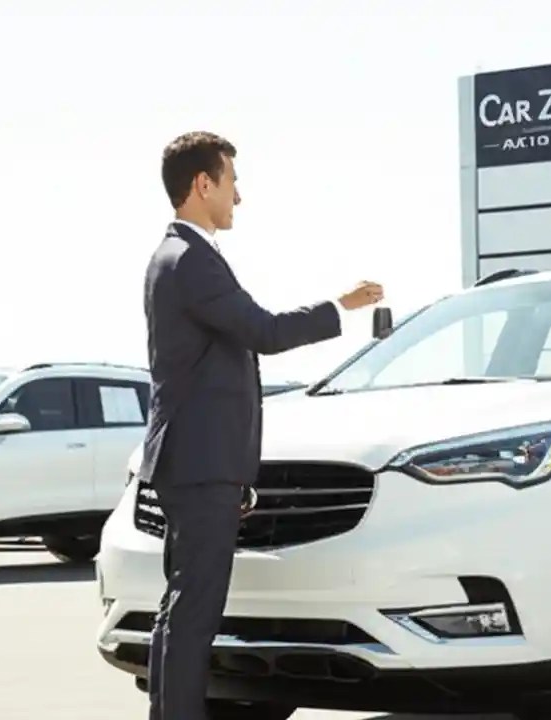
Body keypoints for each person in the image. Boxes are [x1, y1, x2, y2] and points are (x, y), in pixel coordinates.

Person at [140, 130, 385, 720]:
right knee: (194, 611)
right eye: (231, 181)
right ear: (203, 184)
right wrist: (340, 306)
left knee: (183, 608)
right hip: (199, 465)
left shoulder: (181, 257)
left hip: (200, 462)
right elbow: (264, 332)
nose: (238, 197)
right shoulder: (189, 260)